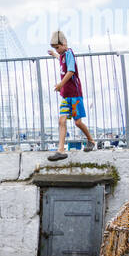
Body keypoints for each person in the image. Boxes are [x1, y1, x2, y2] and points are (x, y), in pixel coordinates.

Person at [47, 30, 96, 161]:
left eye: (57, 48)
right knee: (61, 121)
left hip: (74, 95)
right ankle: (61, 150)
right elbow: (60, 59)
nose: (57, 50)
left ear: (64, 43)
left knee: (78, 122)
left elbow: (70, 71)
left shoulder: (69, 54)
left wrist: (60, 84)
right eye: (55, 49)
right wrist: (54, 55)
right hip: (66, 96)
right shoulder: (62, 55)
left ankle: (91, 140)